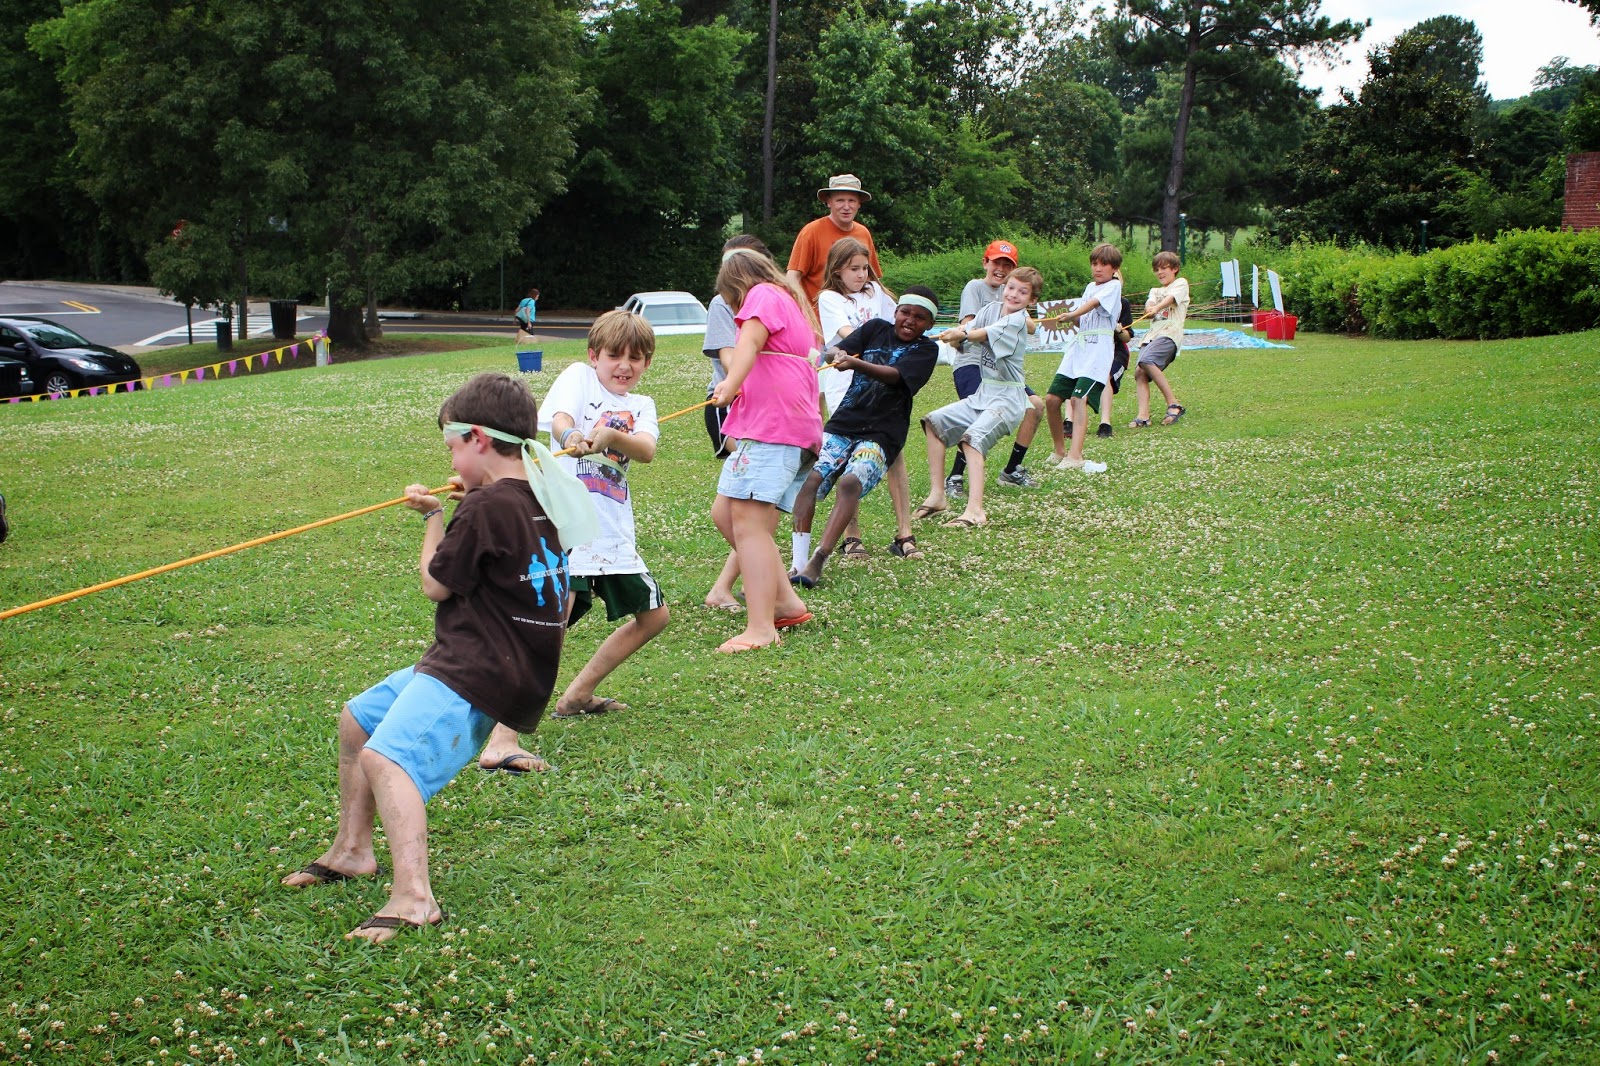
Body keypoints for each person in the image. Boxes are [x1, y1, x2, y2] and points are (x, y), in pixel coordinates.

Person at [281, 372, 578, 942]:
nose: (451, 458)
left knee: (387, 758)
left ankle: (414, 897)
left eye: (451, 445)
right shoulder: (537, 494)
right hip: (491, 657)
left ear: (479, 440)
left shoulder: (483, 507)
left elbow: (436, 585)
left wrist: (432, 519)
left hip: (478, 667)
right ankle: (351, 850)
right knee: (358, 721)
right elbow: (559, 598)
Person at [476, 312, 667, 777]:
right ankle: (502, 739)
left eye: (635, 358)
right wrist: (574, 436)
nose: (624, 365)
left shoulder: (641, 404)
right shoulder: (578, 378)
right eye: (614, 355)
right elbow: (558, 419)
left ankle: (578, 694)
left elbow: (645, 448)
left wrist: (612, 436)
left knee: (654, 616)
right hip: (568, 533)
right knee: (548, 628)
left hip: (613, 537)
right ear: (593, 356)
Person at [709, 248, 824, 652]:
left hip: (775, 427)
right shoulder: (787, 299)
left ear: (737, 284)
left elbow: (750, 343)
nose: (735, 310)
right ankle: (785, 602)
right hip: (783, 426)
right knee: (726, 512)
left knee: (750, 524)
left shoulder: (761, 294)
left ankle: (761, 626)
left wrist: (730, 384)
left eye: (731, 301)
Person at [791, 287, 940, 586]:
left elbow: (895, 375)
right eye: (905, 313)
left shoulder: (926, 350)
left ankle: (819, 559)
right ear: (895, 313)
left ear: (930, 325)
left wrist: (856, 363)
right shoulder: (874, 329)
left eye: (920, 317)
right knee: (810, 480)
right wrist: (839, 353)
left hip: (883, 434)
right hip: (844, 422)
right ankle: (797, 563)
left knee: (850, 482)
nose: (910, 321)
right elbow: (837, 349)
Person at [810, 237, 919, 564]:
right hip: (847, 384)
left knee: (893, 451)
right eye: (853, 269)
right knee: (849, 457)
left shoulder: (878, 294)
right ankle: (851, 536)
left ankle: (904, 533)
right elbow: (847, 334)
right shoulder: (829, 298)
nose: (861, 275)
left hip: (883, 381)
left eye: (864, 268)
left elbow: (898, 325)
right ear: (837, 270)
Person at [912, 267, 1043, 529]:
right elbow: (968, 331)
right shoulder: (989, 310)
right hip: (984, 394)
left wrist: (962, 334)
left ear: (1032, 300)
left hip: (1008, 398)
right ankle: (938, 496)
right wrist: (955, 334)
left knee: (971, 441)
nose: (1014, 295)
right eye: (1011, 287)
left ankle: (975, 511)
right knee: (933, 423)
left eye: (1023, 292)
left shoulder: (1017, 320)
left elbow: (978, 334)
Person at [703, 235, 776, 611]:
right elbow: (730, 358)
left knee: (760, 501)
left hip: (765, 411)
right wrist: (750, 384)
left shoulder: (773, 299)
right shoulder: (721, 302)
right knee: (751, 501)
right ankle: (767, 581)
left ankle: (734, 585)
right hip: (732, 408)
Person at [942, 240, 1047, 496]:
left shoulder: (1014, 292)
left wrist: (1016, 320)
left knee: (1035, 406)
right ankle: (955, 476)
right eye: (996, 262)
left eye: (1006, 264)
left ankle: (1011, 470)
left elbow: (1031, 326)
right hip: (972, 362)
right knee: (979, 415)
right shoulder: (976, 288)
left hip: (1001, 371)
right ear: (985, 263)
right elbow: (967, 326)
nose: (1000, 269)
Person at [1043, 243, 1122, 475]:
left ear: (1114, 268)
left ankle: (1075, 455)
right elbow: (1083, 317)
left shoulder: (1113, 287)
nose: (1098, 268)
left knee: (1079, 399)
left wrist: (1073, 312)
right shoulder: (1089, 286)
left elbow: (1093, 305)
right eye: (1095, 263)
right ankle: (1059, 450)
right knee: (1051, 399)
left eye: (1104, 264)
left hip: (1097, 351)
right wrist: (1066, 319)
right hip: (1078, 349)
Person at [786, 174, 883, 307]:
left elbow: (872, 279)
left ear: (859, 204)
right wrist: (800, 312)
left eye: (852, 201)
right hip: (818, 320)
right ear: (829, 202)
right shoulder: (811, 232)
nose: (846, 206)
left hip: (856, 319)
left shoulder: (863, 233)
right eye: (840, 200)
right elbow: (792, 278)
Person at [1130, 250, 1189, 427]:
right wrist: (1149, 308)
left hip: (1169, 332)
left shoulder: (1180, 283)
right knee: (1140, 372)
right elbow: (1150, 304)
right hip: (1151, 336)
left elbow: (1170, 299)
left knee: (1146, 360)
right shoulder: (1155, 290)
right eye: (1156, 269)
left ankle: (1174, 404)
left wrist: (1156, 308)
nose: (1160, 272)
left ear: (1175, 269)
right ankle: (1143, 416)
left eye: (1164, 268)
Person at [1094, 284, 1136, 438]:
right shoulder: (1090, 301)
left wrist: (1118, 330)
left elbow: (1127, 337)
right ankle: (1069, 421)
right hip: (1093, 349)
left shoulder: (1122, 303)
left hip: (1116, 351)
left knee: (1106, 376)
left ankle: (1105, 423)